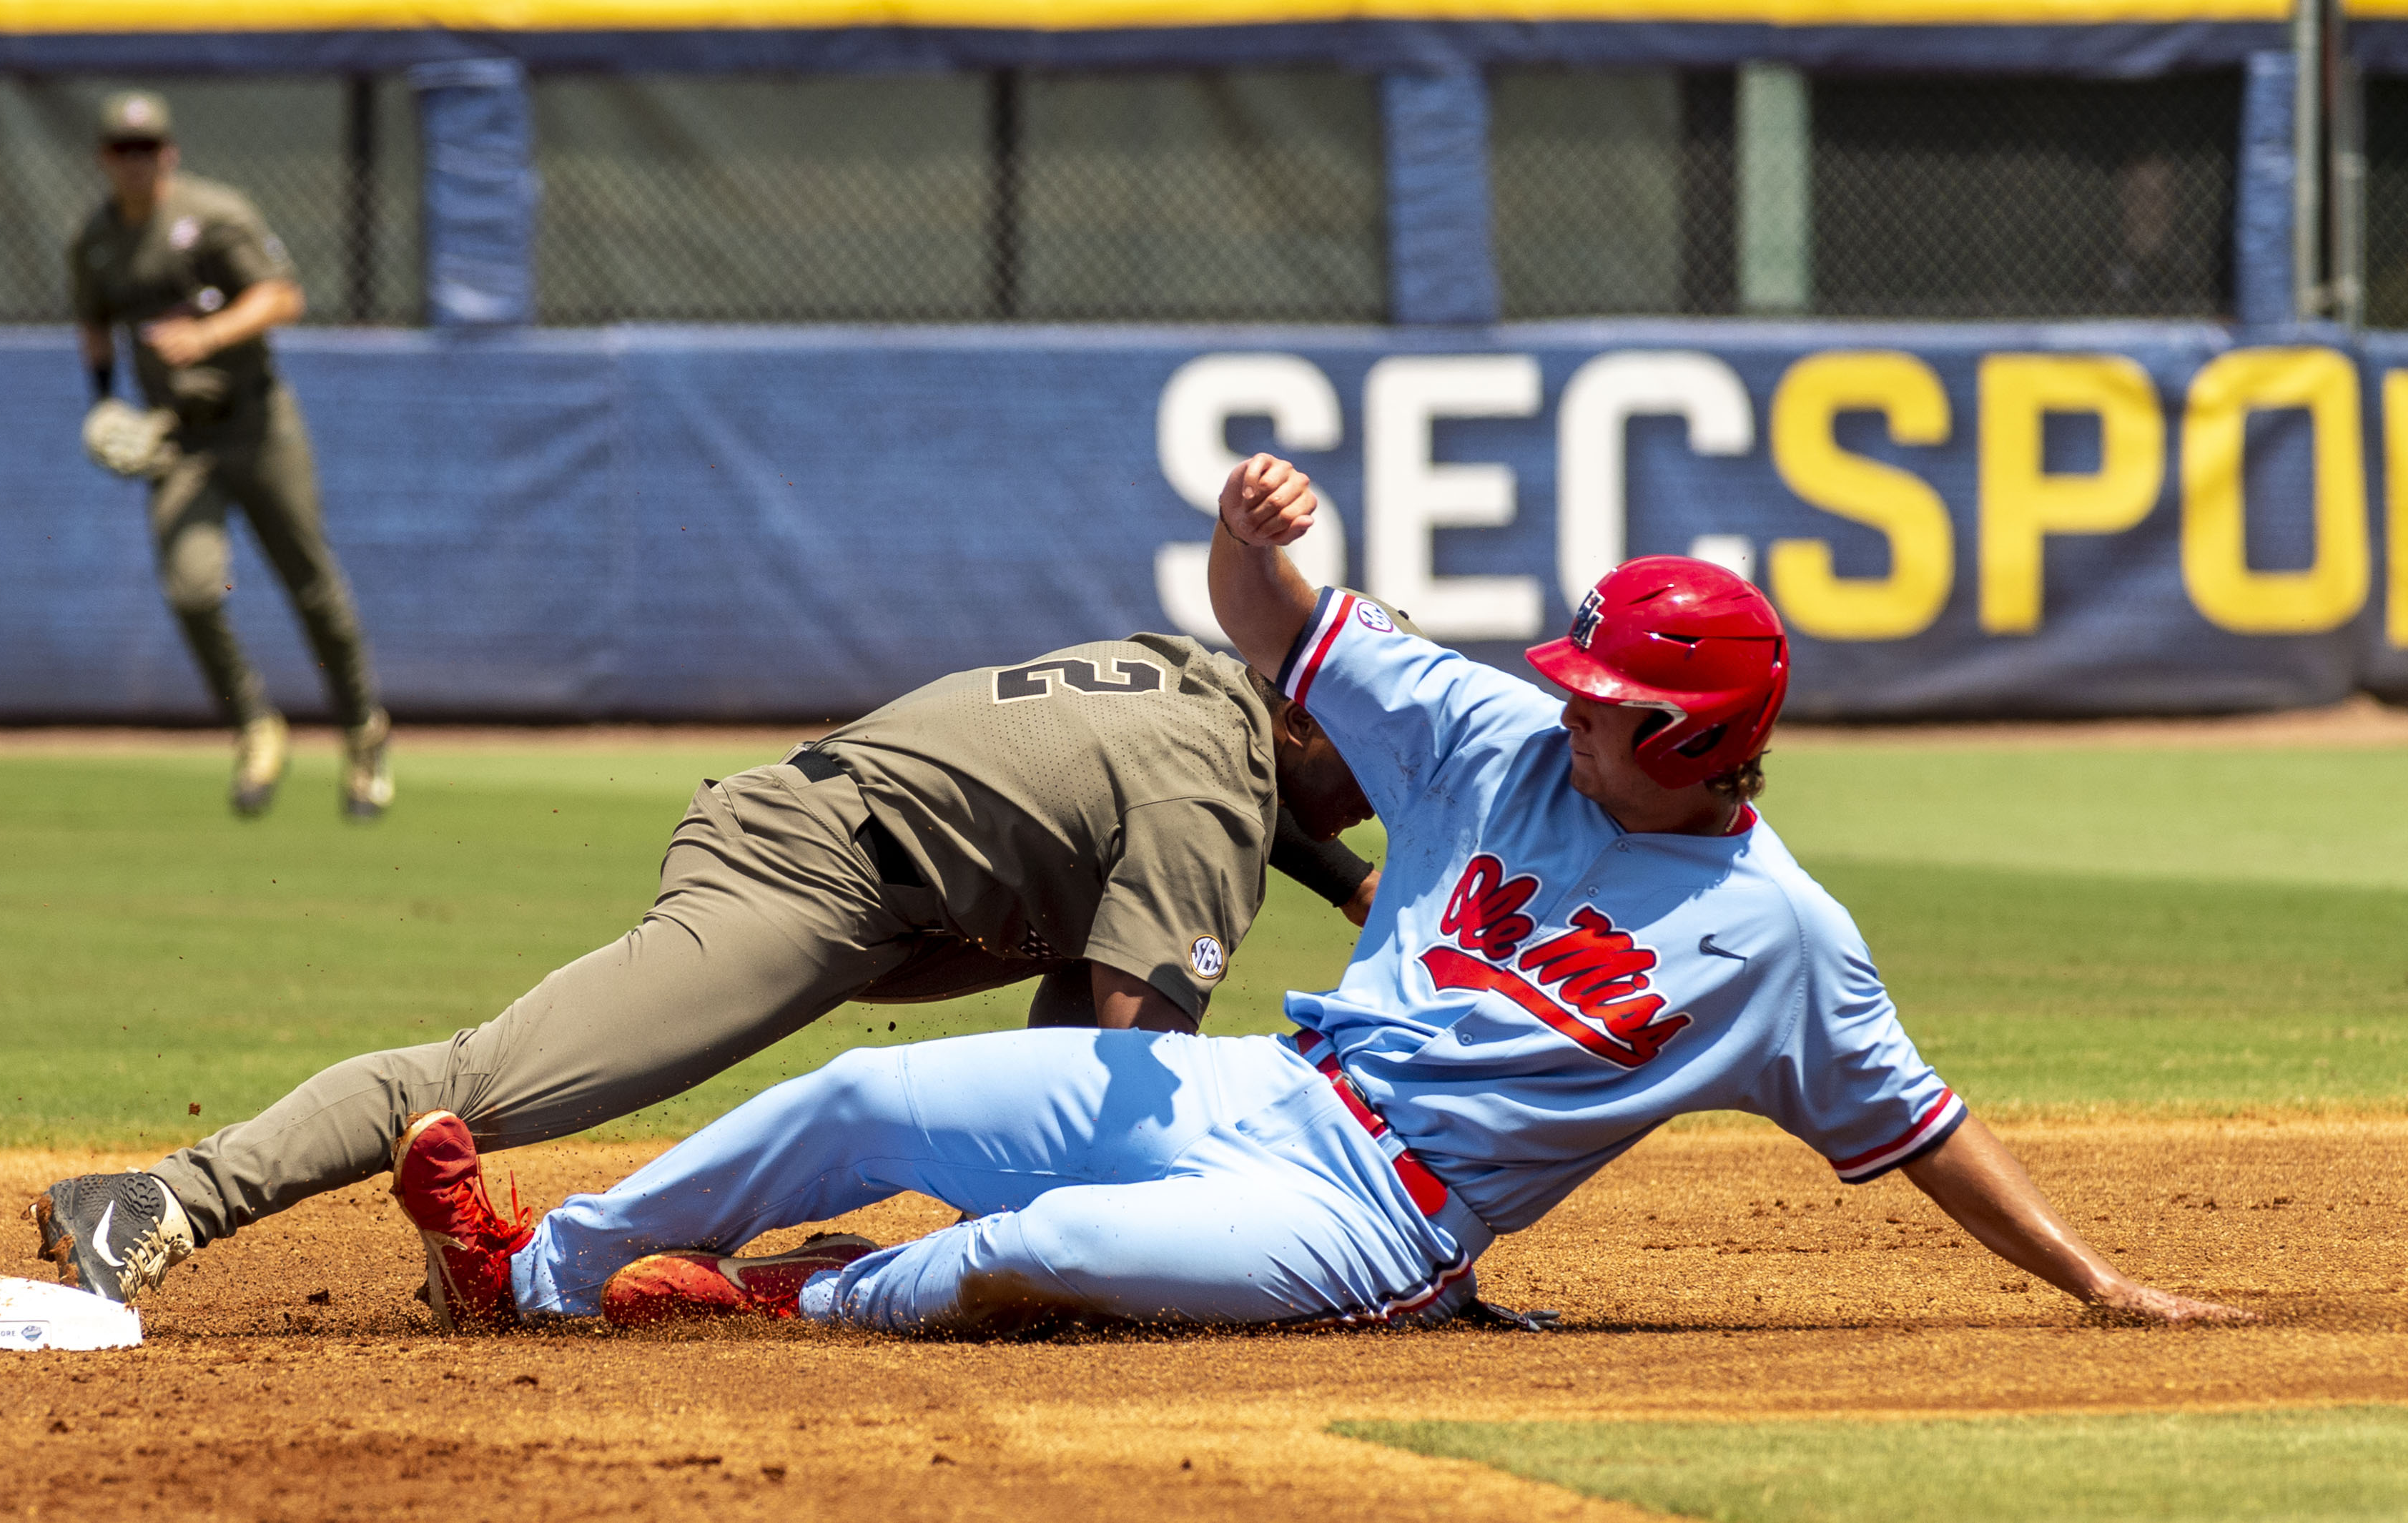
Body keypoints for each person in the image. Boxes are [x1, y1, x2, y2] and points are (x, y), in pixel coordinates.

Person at [375, 451, 2257, 1336]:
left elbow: (1919, 1125)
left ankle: (778, 1309)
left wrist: (2096, 1281)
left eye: (1607, 703)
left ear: (1698, 748)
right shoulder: (1484, 733)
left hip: (1381, 1228)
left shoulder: (1778, 943)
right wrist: (1243, 539)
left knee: (1024, 1256)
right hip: (1265, 1092)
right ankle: (533, 1273)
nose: (1564, 705)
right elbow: (1274, 626)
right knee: (859, 1100)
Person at [29, 628, 1383, 1314]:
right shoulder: (1214, 799)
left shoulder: (1192, 677)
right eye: (1367, 758)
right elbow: (1132, 1052)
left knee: (1072, 1010)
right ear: (1300, 725)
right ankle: (156, 1198)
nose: (1380, 784)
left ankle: (872, 1257)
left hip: (872, 858)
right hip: (810, 878)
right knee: (492, 1076)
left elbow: (1244, 792)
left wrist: (1347, 876)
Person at [71, 89, 392, 819]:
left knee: (311, 587)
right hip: (179, 438)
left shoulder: (210, 215)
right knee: (190, 587)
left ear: (170, 153)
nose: (136, 161)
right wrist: (101, 401)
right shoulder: (95, 240)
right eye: (122, 150)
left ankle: (361, 731)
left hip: (256, 422)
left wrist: (208, 339)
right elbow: (93, 322)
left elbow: (282, 297)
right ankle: (255, 725)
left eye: (147, 148)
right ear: (103, 159)